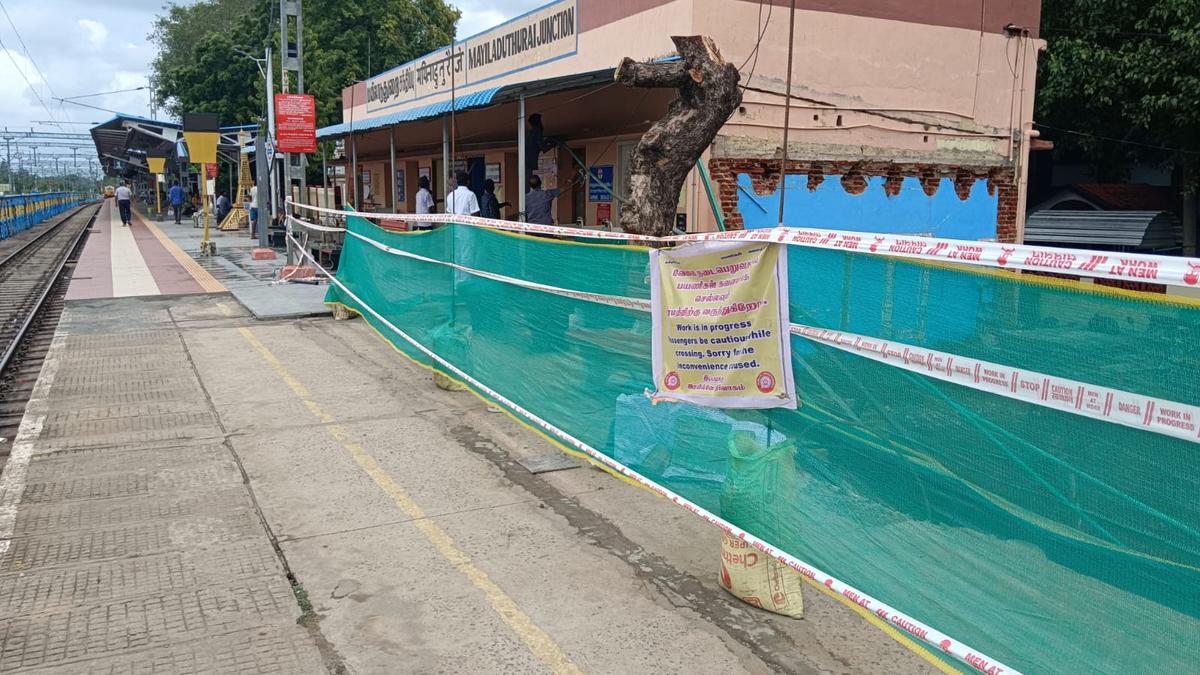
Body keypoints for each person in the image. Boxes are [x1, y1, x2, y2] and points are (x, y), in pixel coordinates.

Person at [523, 113, 557, 184]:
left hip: (527, 161)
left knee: (527, 182)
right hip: (529, 162)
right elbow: (543, 148)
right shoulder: (536, 131)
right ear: (538, 122)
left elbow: (538, 146)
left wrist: (547, 141)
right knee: (528, 183)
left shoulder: (532, 132)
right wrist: (553, 144)